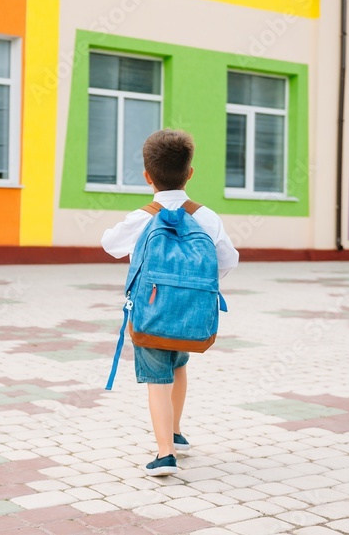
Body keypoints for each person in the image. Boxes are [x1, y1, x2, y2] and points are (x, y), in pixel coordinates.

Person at [101, 129, 239, 476]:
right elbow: (228, 259)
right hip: (190, 317)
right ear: (189, 173)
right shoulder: (206, 217)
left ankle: (165, 454)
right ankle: (176, 434)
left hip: (150, 316)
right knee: (179, 367)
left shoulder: (142, 216)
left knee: (156, 381)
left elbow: (109, 244)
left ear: (147, 176)